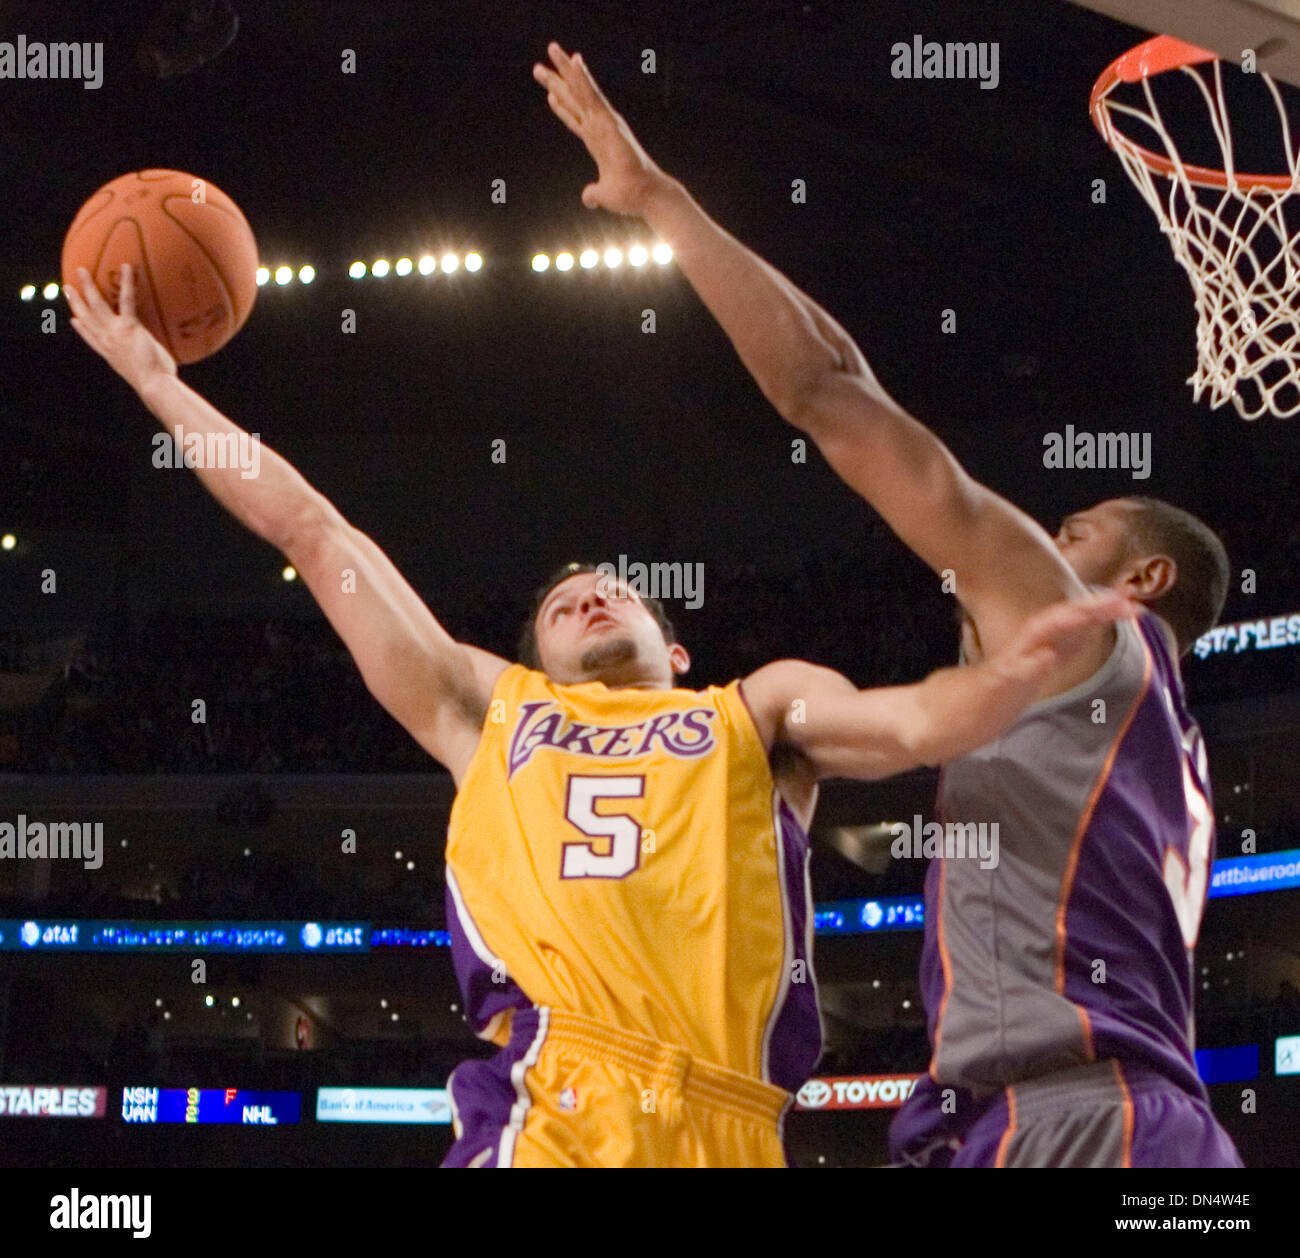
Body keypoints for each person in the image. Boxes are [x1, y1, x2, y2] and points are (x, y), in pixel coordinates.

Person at [65, 261, 1126, 1169]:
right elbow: (315, 532)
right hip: (554, 1107)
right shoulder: (487, 712)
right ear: (538, 658)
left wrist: (998, 687)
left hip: (735, 1125)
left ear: (676, 650)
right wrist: (159, 383)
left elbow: (898, 728)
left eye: (614, 586)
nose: (585, 590)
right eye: (559, 602)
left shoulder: (753, 710)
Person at [533, 42, 1241, 1167]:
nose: (1036, 548)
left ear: (1138, 579)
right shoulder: (1162, 731)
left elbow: (829, 391)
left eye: (1069, 537)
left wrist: (658, 198)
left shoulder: (1082, 635)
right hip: (1132, 1123)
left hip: (1071, 1119)